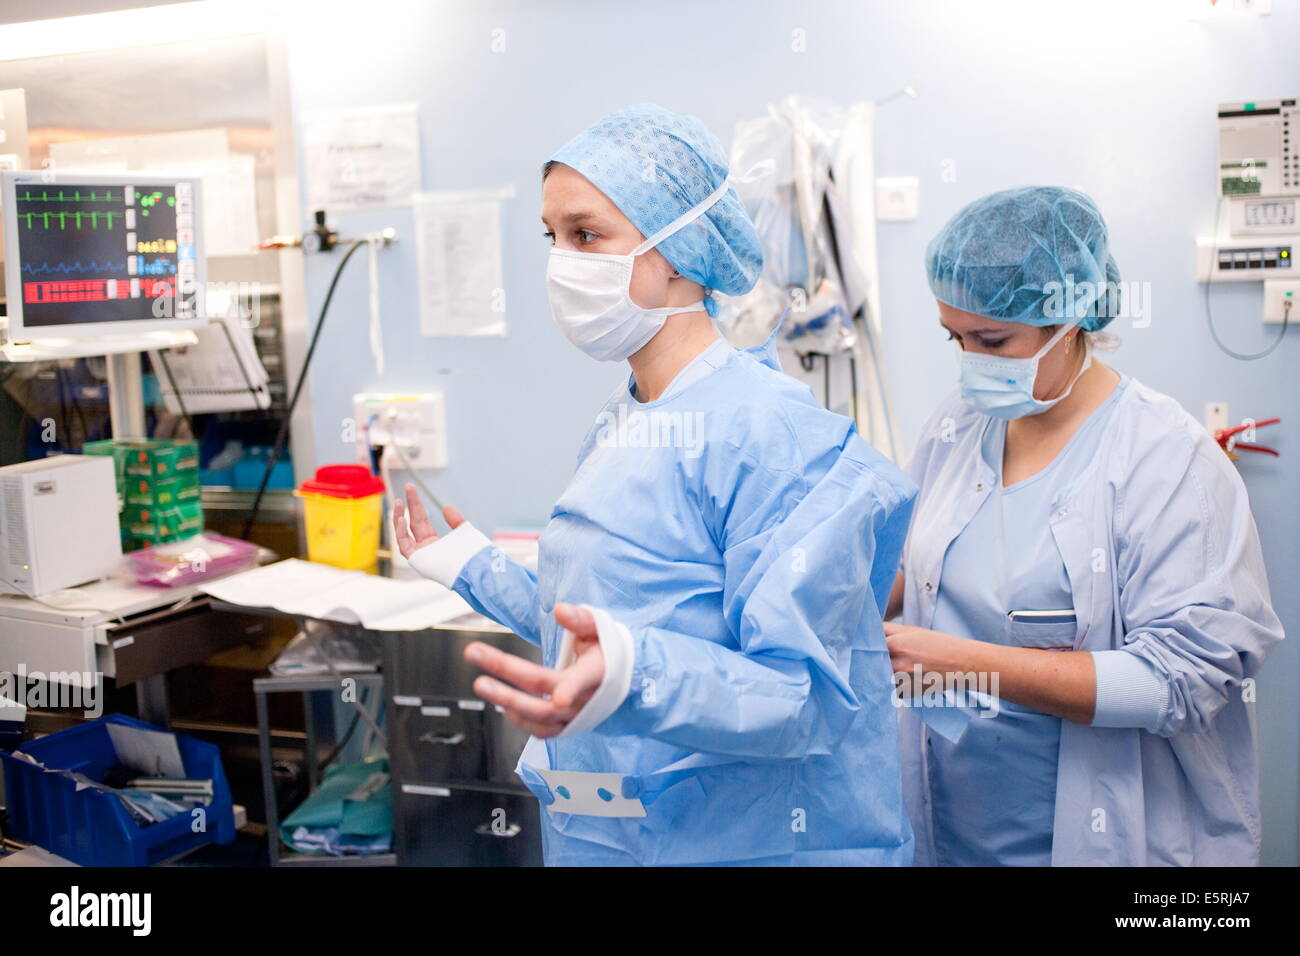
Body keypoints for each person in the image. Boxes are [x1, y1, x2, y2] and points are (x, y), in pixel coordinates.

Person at [392, 104, 917, 866]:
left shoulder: (767, 434)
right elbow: (612, 615)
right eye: (553, 237)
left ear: (679, 248)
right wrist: (478, 569)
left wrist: (639, 673)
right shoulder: (627, 421)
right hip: (613, 831)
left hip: (742, 843)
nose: (561, 263)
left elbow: (803, 694)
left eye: (586, 235)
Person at [886, 185, 1284, 866]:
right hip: (955, 828)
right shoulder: (959, 424)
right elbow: (914, 563)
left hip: (1109, 836)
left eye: (992, 340)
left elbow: (1183, 682)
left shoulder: (1165, 457)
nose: (970, 363)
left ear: (1069, 319)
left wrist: (960, 663)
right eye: (956, 339)